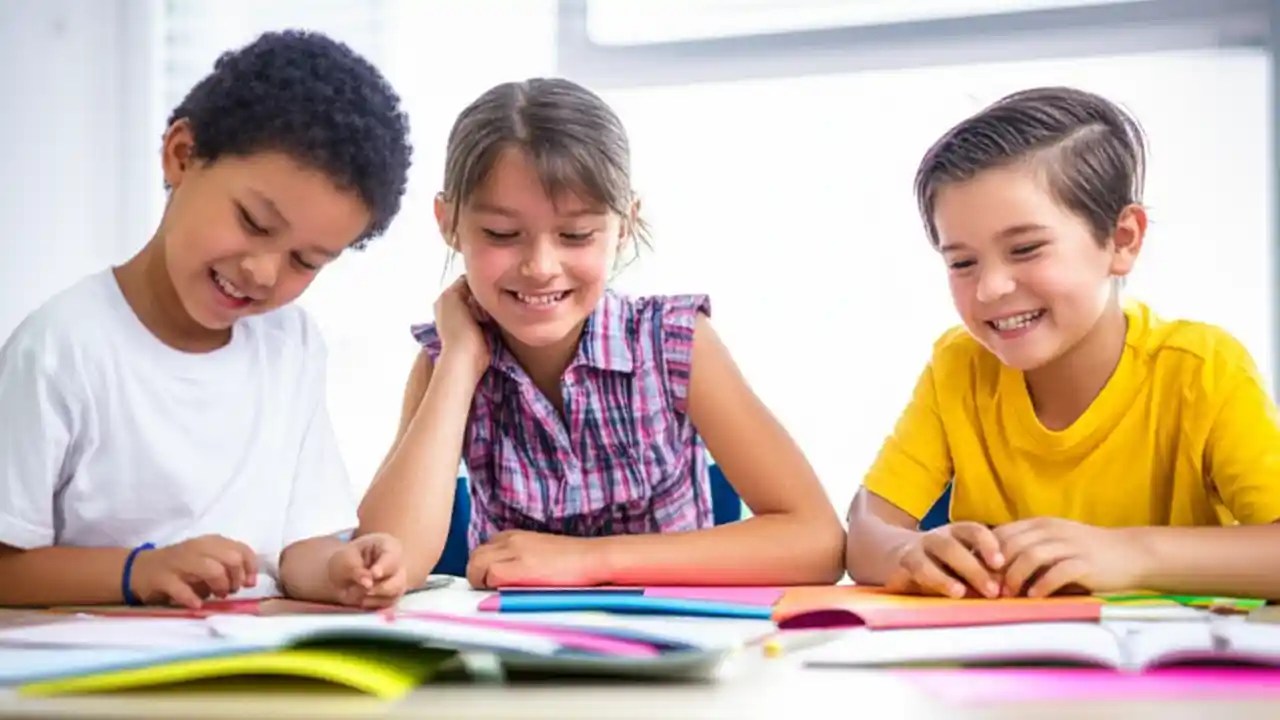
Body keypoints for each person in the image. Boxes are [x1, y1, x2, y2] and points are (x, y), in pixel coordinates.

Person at [359, 77, 845, 590]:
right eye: (502, 235)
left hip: (671, 651)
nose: (541, 267)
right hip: (518, 656)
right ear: (448, 222)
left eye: (576, 236)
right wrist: (459, 361)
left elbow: (817, 541)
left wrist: (588, 560)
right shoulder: (445, 361)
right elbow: (387, 562)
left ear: (625, 225)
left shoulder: (673, 343)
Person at [0, 30, 413, 609]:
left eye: (305, 261)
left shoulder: (289, 346)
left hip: (248, 669)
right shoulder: (62, 347)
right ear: (182, 156)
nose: (265, 273)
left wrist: (343, 567)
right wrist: (138, 572)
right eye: (253, 222)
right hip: (108, 679)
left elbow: (299, 548)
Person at [846, 86, 1280, 601]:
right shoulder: (958, 367)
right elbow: (866, 529)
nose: (990, 288)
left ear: (1123, 240)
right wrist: (905, 553)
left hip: (1167, 674)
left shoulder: (1202, 369)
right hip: (1001, 665)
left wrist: (1130, 555)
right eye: (962, 262)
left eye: (1026, 249)